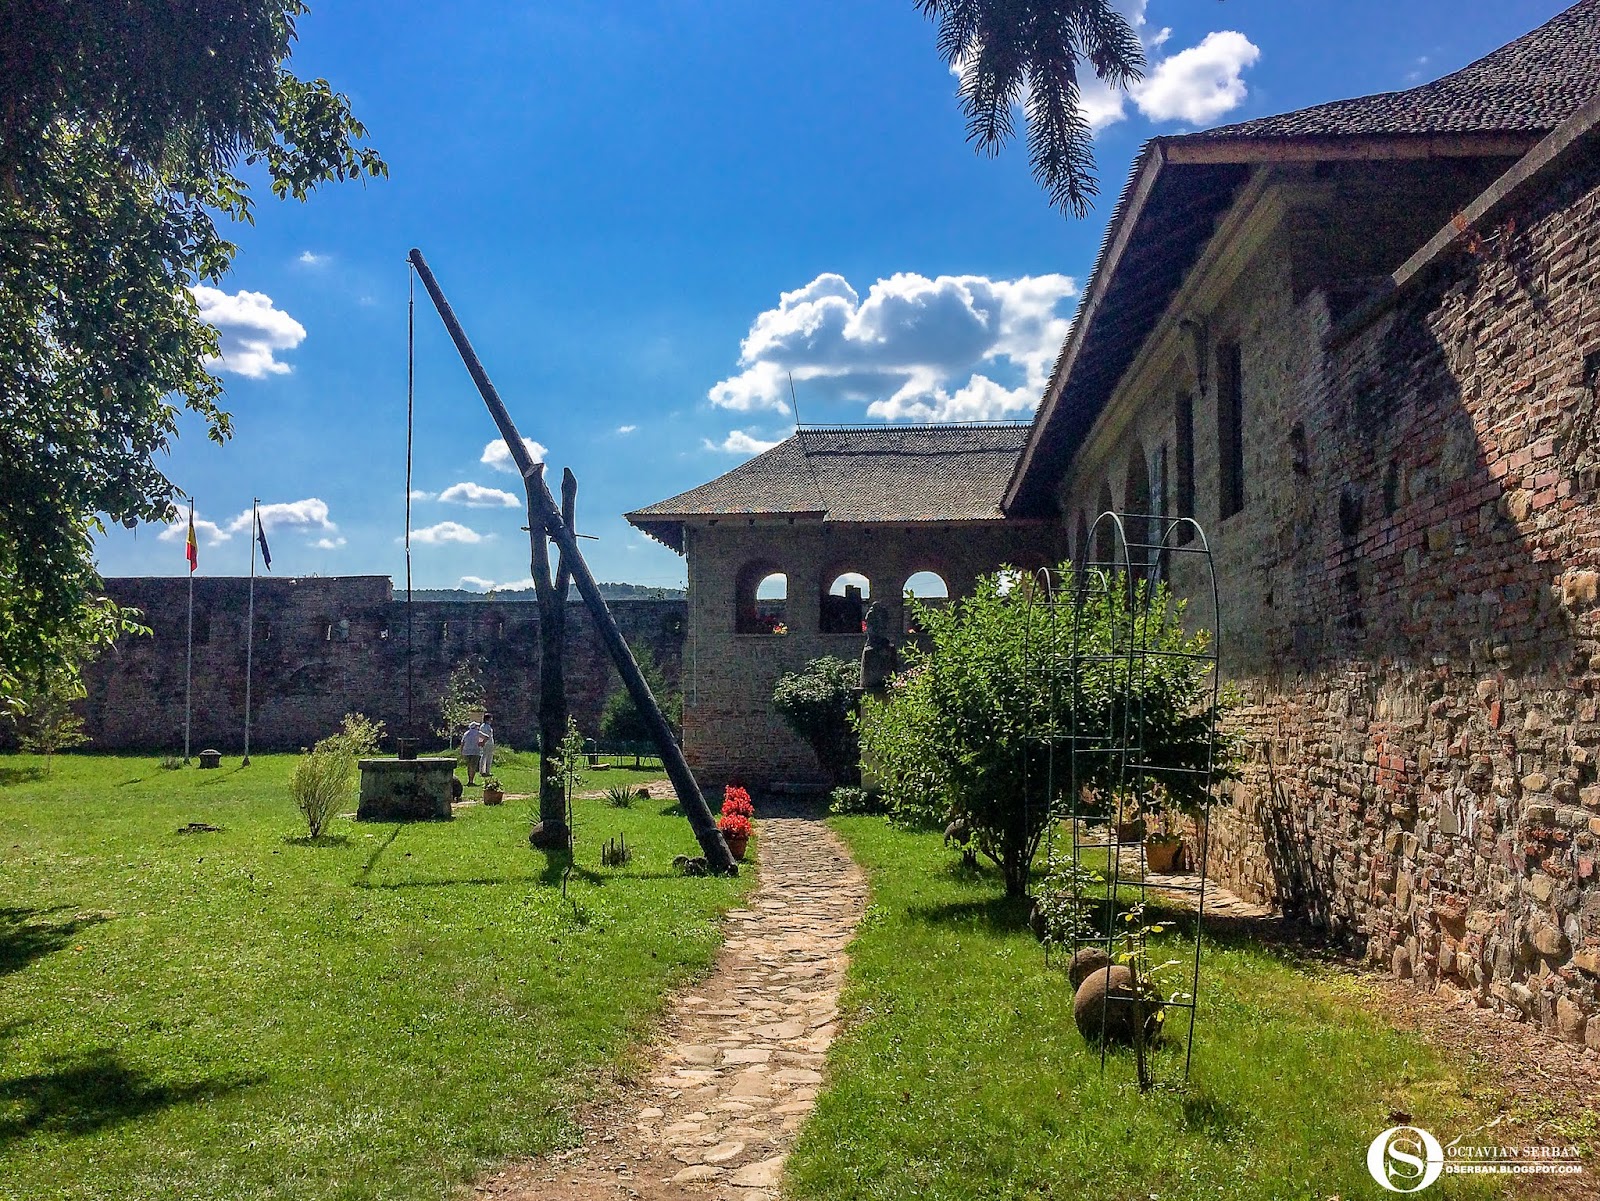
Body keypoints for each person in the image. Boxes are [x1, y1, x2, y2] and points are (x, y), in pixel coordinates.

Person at [459, 720, 483, 785]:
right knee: (473, 766)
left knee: (469, 766)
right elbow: (487, 736)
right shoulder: (477, 732)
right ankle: (471, 780)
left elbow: (462, 743)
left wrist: (461, 752)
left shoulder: (466, 733)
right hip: (475, 751)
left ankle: (469, 779)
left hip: (466, 751)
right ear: (475, 727)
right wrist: (482, 743)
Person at [478, 713, 495, 777]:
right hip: (485, 743)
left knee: (489, 757)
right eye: (490, 718)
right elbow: (481, 736)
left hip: (490, 743)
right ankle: (482, 771)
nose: (491, 720)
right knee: (484, 756)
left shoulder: (489, 726)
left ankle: (488, 771)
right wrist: (481, 743)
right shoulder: (483, 726)